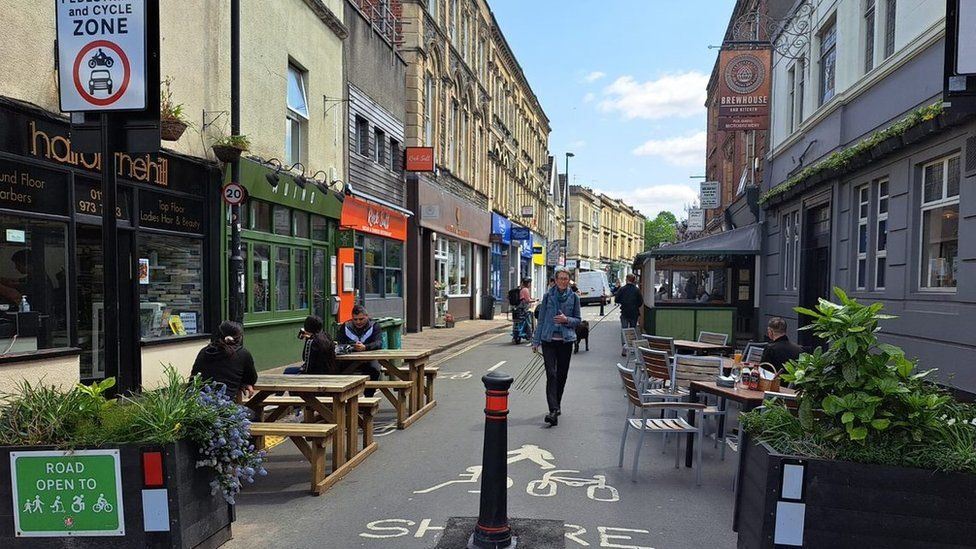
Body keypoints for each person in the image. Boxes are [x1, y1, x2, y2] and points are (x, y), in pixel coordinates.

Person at [531, 267, 582, 427]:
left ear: (569, 281)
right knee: (551, 374)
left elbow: (578, 320)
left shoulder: (574, 297)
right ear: (555, 280)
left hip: (565, 341)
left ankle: (557, 404)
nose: (562, 281)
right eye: (560, 278)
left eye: (565, 279)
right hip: (548, 340)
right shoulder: (548, 297)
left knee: (562, 375)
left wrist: (566, 319)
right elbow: (542, 320)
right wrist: (536, 340)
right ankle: (553, 410)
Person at [190, 321, 257, 401]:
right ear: (239, 338)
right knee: (251, 413)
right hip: (224, 405)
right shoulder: (242, 354)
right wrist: (242, 383)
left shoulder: (205, 351)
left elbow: (194, 377)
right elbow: (251, 378)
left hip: (196, 403)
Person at [336, 305, 383, 395]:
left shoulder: (374, 326)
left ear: (367, 316)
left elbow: (379, 343)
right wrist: (352, 347)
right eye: (355, 319)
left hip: (369, 359)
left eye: (361, 319)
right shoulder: (345, 327)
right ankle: (344, 398)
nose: (358, 322)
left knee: (374, 370)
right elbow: (340, 343)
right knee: (337, 370)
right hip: (350, 359)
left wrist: (365, 347)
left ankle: (368, 399)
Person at [614, 274, 644, 357]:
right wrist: (635, 305)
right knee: (632, 330)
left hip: (624, 312)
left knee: (624, 330)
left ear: (627, 279)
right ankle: (632, 348)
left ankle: (624, 348)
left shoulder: (622, 289)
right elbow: (641, 302)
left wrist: (623, 302)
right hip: (634, 313)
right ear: (634, 280)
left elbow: (616, 299)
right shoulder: (637, 290)